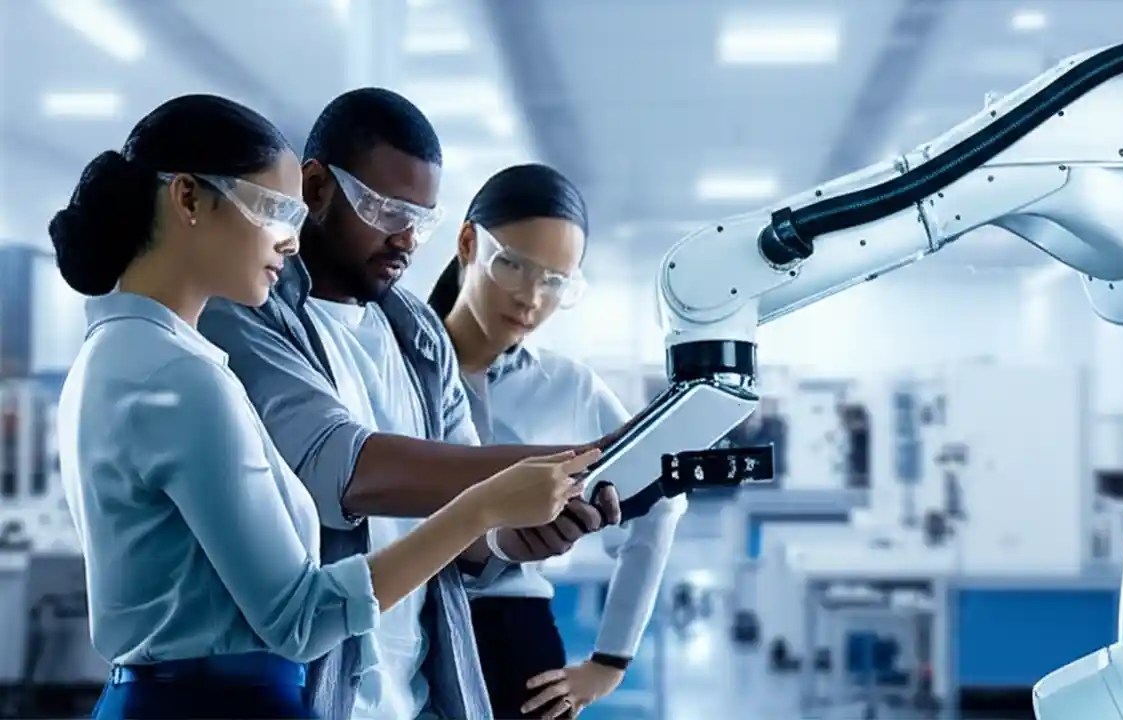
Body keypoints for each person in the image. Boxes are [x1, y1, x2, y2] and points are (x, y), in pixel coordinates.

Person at [51, 94, 597, 720]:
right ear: (188, 199)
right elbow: (302, 616)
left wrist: (496, 526)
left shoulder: (124, 352)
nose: (289, 239)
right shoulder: (183, 374)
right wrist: (486, 500)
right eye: (272, 211)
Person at [197, 88, 623, 720]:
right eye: (384, 210)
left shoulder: (420, 338)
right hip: (309, 690)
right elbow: (343, 469)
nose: (406, 239)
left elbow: (467, 531)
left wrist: (515, 536)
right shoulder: (246, 314)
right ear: (315, 188)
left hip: (419, 695)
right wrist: (546, 469)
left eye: (420, 221)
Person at [426, 163, 688, 719]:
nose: (530, 298)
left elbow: (660, 496)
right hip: (400, 617)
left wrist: (611, 659)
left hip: (510, 637)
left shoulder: (569, 387)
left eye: (554, 282)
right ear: (468, 243)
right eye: (513, 265)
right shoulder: (390, 361)